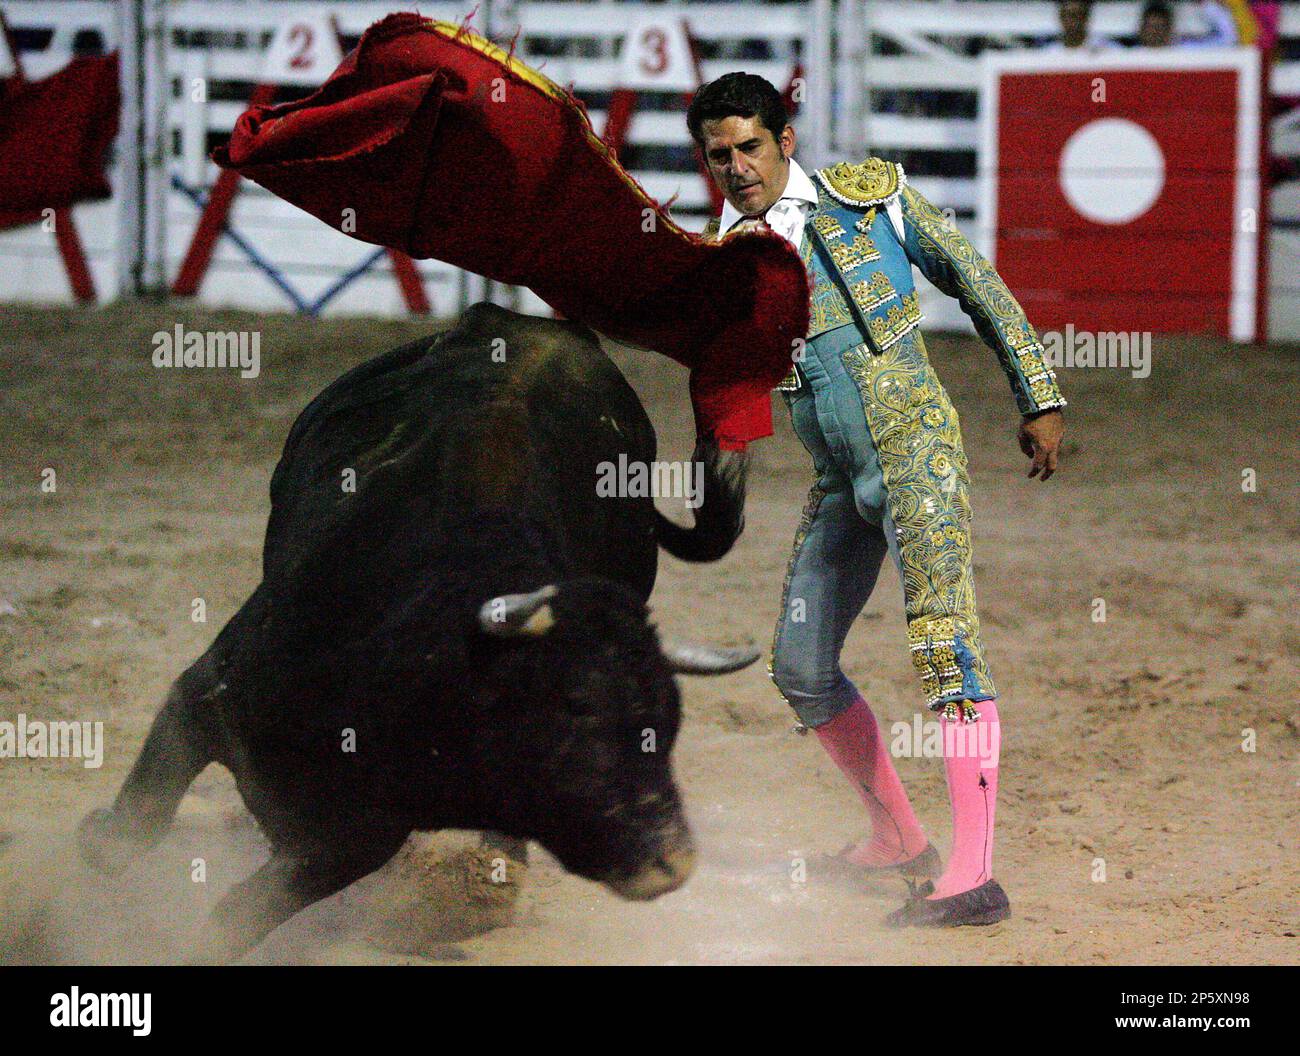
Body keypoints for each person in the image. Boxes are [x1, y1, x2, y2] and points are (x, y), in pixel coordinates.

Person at [687, 73, 1067, 927]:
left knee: (944, 643)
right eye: (720, 156)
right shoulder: (720, 257)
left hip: (915, 453)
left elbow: (975, 280)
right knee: (799, 665)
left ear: (786, 140)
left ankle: (973, 877)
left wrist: (1037, 393)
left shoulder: (873, 199)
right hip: (839, 481)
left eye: (751, 146)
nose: (738, 168)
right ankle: (899, 836)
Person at [1136, 0, 1239, 47]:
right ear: (1140, 29)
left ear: (1170, 28)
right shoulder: (1128, 54)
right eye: (1150, 26)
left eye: (1159, 26)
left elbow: (1229, 39)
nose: (1154, 32)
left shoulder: (1187, 50)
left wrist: (1205, 3)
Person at [1041, 0, 1117, 52]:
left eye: (1077, 16)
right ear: (1060, 18)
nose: (1071, 21)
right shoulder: (1049, 52)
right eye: (1066, 16)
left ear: (1086, 18)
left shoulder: (1107, 49)